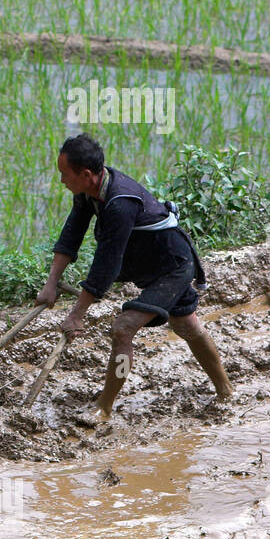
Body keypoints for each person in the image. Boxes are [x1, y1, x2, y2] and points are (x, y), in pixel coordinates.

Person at [37, 134, 234, 423]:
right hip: (151, 263)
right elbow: (72, 234)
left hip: (173, 267)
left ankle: (104, 407)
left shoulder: (119, 203)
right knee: (186, 324)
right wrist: (51, 282)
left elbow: (106, 264)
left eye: (64, 175)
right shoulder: (88, 192)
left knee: (122, 328)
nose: (62, 181)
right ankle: (226, 390)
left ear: (87, 174)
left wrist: (77, 314)